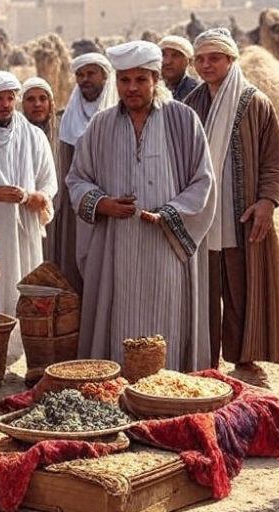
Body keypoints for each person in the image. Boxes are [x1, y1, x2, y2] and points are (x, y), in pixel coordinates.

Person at [66, 41, 214, 370]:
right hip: (117, 248)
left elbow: (203, 181)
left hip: (166, 247)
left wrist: (170, 213)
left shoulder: (183, 120)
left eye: (140, 80)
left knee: (167, 325)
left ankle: (166, 387)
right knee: (119, 320)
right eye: (125, 80)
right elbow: (77, 179)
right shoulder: (101, 125)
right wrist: (102, 203)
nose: (132, 88)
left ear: (156, 80)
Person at [183, 28, 279, 384]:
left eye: (214, 58)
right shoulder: (191, 105)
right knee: (204, 288)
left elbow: (274, 160)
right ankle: (203, 358)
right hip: (201, 214)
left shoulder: (255, 102)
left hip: (243, 213)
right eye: (200, 59)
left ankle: (245, 360)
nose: (206, 65)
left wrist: (267, 201)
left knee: (243, 286)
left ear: (230, 60)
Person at [0, 71, 57, 316]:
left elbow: (48, 182)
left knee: (25, 285)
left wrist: (32, 197)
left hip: (25, 225)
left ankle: (21, 347)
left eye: (10, 98)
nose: (5, 104)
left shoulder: (33, 134)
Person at [50, 53, 117, 292]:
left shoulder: (117, 114)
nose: (85, 79)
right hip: (77, 205)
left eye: (91, 73)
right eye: (80, 74)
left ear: (105, 76)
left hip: (114, 204)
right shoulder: (68, 118)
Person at [21, 76, 59, 156]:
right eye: (31, 99)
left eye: (43, 99)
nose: (37, 104)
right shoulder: (16, 136)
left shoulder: (64, 133)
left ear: (50, 103)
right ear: (22, 105)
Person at [159, 35, 198, 101]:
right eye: (163, 55)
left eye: (175, 56)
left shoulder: (196, 92)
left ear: (189, 61)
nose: (167, 62)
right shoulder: (155, 88)